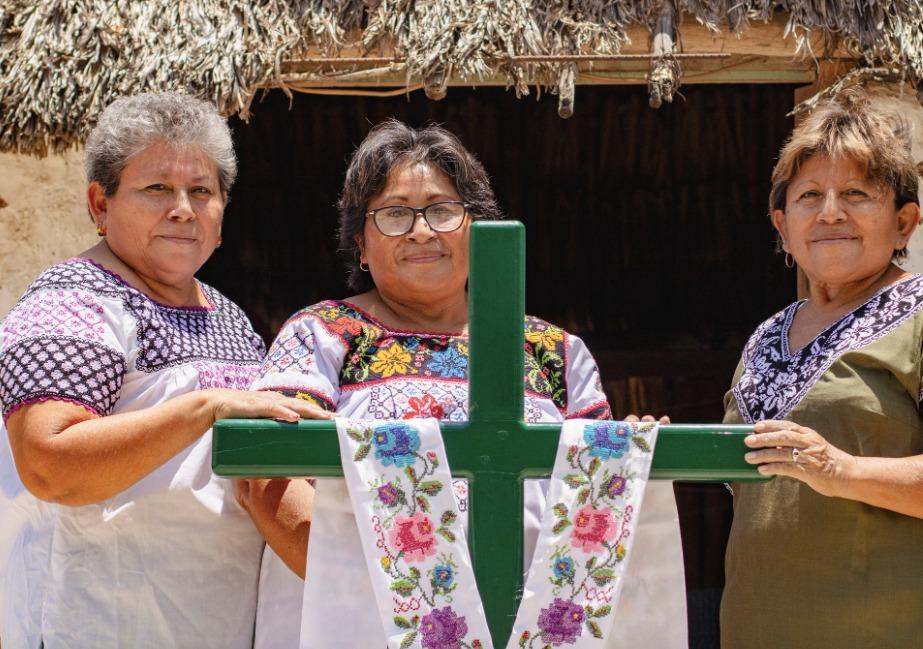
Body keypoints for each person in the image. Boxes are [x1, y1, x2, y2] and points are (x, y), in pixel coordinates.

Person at [237, 119, 688, 648]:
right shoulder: (322, 335)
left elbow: (600, 494)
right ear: (360, 242)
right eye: (395, 214)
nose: (422, 231)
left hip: (528, 631)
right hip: (361, 624)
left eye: (443, 210)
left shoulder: (554, 352)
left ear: (478, 229)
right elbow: (265, 480)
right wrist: (407, 607)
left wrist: (632, 453)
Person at [0, 93, 328, 649]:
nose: (182, 208)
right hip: (94, 622)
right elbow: (50, 466)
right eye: (157, 188)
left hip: (207, 621)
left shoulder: (226, 315)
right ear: (99, 205)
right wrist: (206, 408)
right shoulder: (74, 301)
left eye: (201, 191)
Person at [721, 90, 923, 648]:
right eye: (810, 195)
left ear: (904, 222)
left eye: (856, 193)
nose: (831, 210)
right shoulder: (766, 337)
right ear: (783, 227)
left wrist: (840, 471)